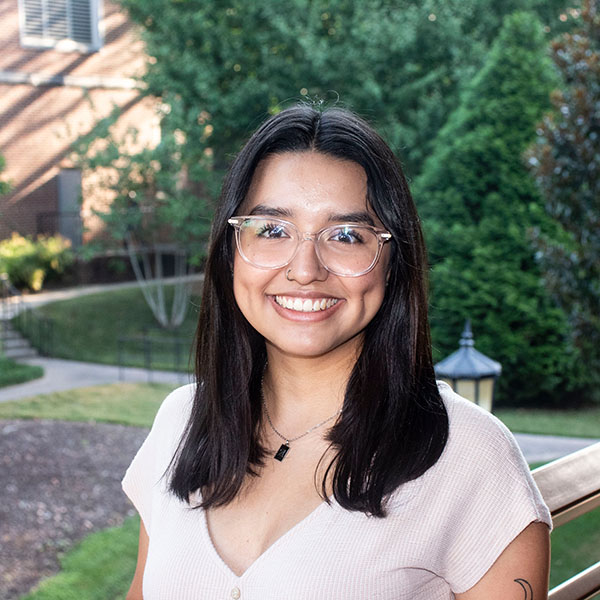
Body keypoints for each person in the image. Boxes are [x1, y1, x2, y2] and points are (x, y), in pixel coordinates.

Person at [122, 105, 551, 600]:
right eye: (273, 230)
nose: (305, 269)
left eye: (346, 236)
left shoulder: (470, 456)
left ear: (392, 263)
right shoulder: (182, 421)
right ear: (230, 249)